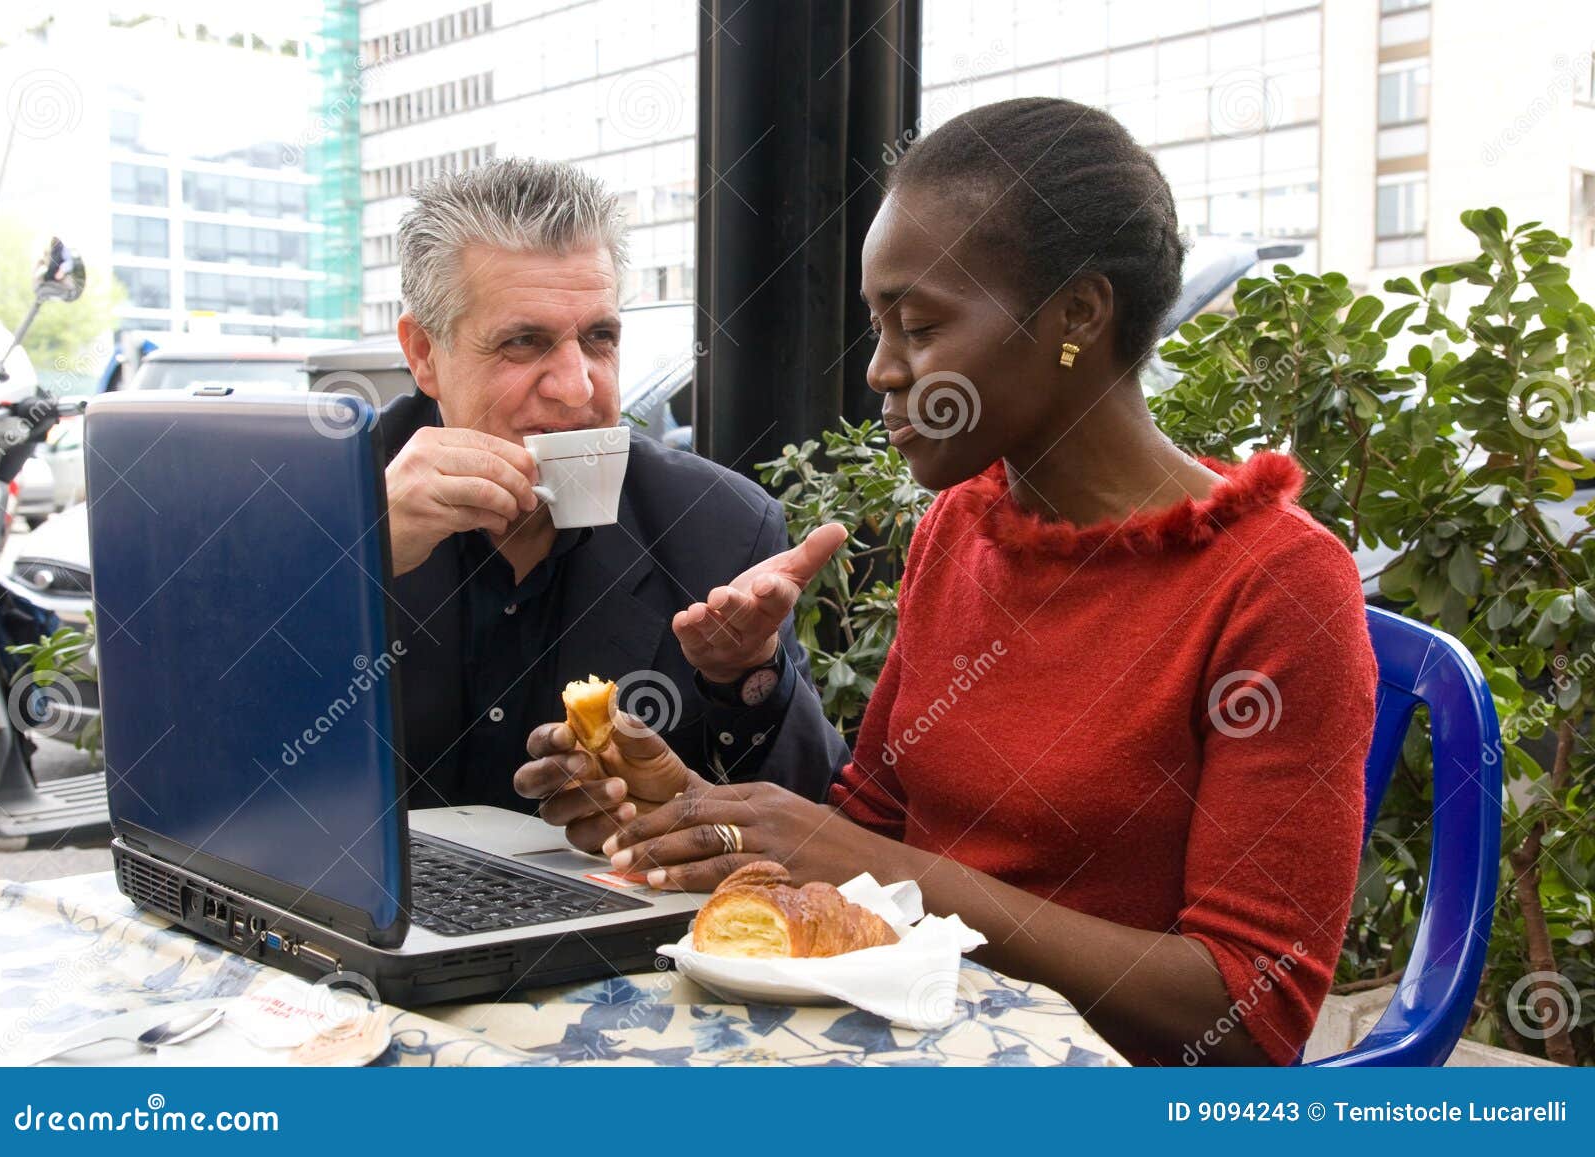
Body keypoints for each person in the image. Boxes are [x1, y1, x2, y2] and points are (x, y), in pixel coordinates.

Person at [517, 98, 1378, 1067]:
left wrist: (883, 867)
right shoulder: (962, 527)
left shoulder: (1278, 584)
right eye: (879, 326)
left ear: (1077, 316)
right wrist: (699, 810)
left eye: (919, 325)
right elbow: (872, 834)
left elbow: (1244, 1015)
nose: (882, 371)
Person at [378, 157, 849, 834]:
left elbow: (815, 827)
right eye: (523, 342)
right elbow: (204, 744)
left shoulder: (717, 526)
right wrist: (355, 561)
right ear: (424, 352)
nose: (578, 388)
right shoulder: (333, 502)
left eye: (599, 337)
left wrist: (749, 679)